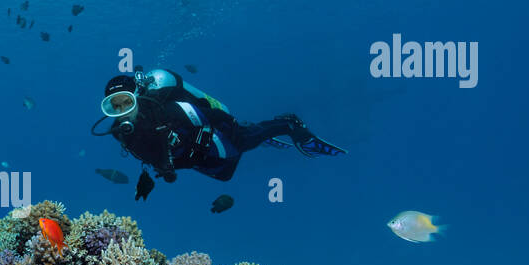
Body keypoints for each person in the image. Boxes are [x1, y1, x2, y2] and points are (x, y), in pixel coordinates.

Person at [95, 69, 344, 191]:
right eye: (113, 106)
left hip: (207, 137)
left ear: (137, 97)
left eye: (126, 102)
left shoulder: (169, 110)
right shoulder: (119, 132)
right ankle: (253, 133)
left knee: (244, 142)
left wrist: (233, 127)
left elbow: (212, 115)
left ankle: (288, 124)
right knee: (226, 176)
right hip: (190, 156)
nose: (122, 111)